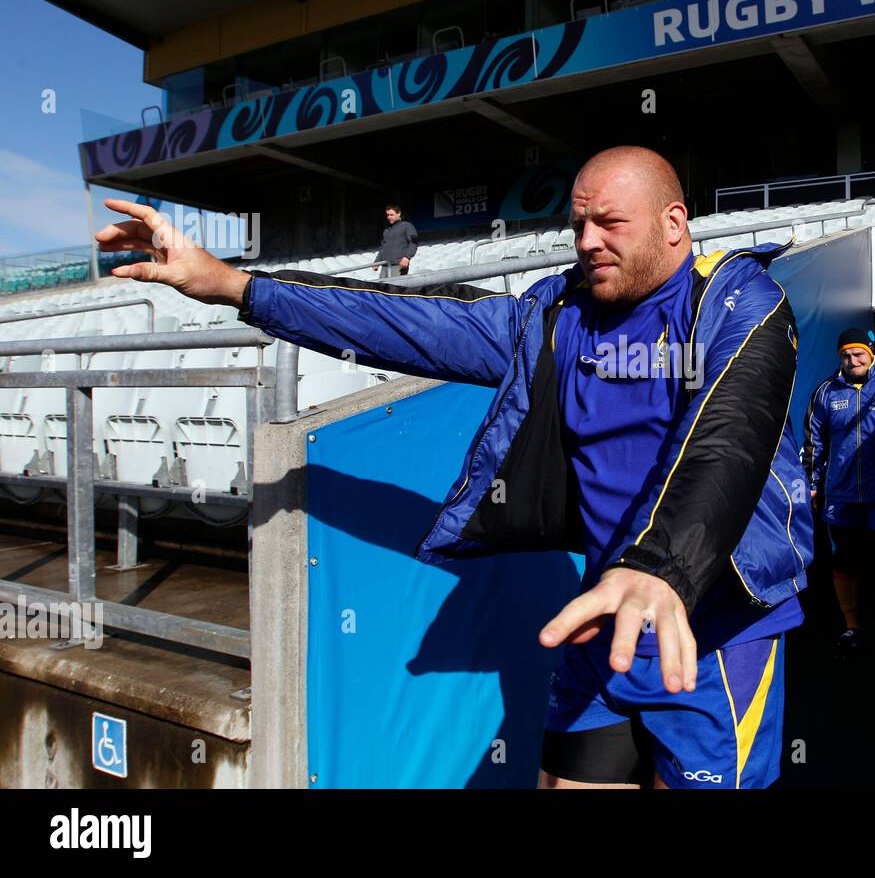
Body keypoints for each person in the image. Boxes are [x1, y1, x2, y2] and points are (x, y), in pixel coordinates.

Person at [98, 145, 812, 789]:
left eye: (611, 224)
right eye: (578, 226)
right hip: (603, 612)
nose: (587, 242)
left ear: (674, 224)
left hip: (713, 627)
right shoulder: (556, 317)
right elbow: (403, 321)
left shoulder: (734, 303)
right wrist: (232, 285)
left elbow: (728, 435)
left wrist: (660, 567)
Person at [804, 327, 875, 659]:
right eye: (846, 354)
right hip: (841, 497)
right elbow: (814, 444)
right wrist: (812, 485)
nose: (852, 360)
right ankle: (852, 624)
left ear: (871, 354)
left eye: (858, 354)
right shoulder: (825, 393)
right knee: (845, 561)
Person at [371, 203, 417, 277]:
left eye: (391, 215)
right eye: (387, 215)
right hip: (385, 266)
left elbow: (413, 243)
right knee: (382, 287)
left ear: (399, 213)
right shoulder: (386, 230)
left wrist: (407, 257)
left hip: (399, 266)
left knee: (395, 287)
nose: (389, 217)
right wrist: (377, 262)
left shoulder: (407, 226)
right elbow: (383, 247)